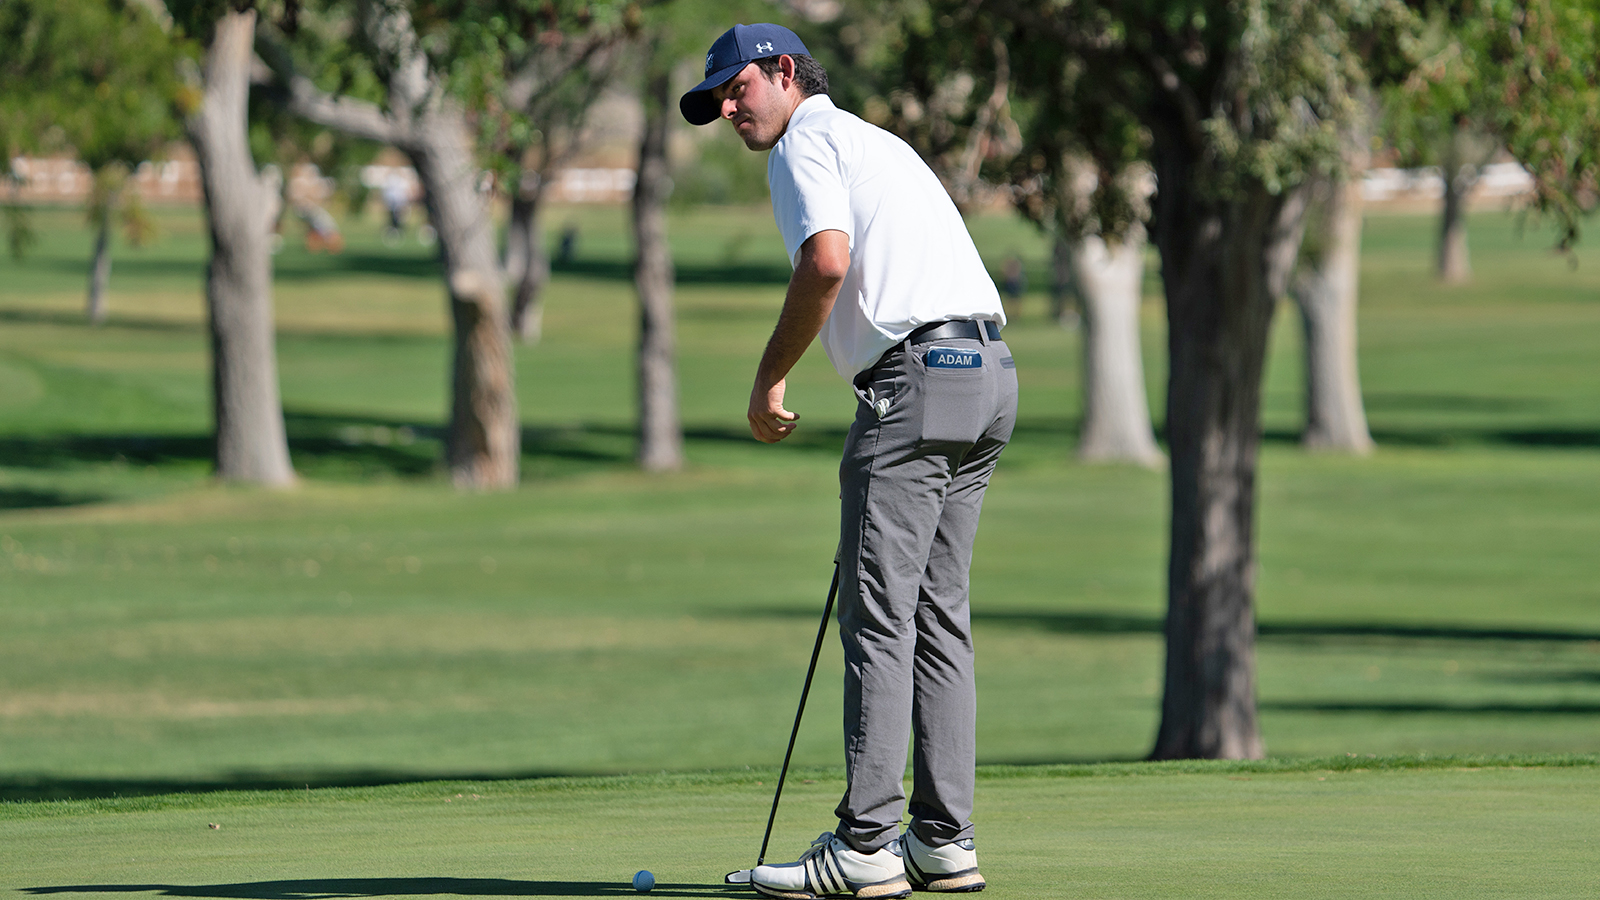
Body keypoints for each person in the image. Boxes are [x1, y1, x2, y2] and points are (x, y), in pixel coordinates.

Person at [680, 24, 1017, 900]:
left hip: (913, 385)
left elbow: (828, 263)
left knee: (880, 618)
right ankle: (943, 842)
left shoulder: (804, 144)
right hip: (986, 376)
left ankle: (866, 845)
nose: (727, 107)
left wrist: (769, 377)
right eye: (717, 98)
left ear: (784, 73)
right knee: (938, 616)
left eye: (736, 87)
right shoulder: (873, 139)